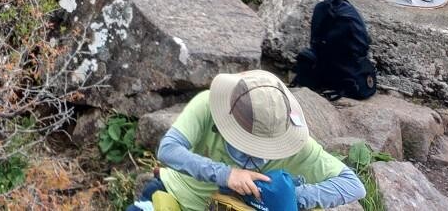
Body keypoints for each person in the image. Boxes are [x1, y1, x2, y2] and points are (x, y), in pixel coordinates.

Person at [126, 70, 364, 211]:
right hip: (177, 195)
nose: (257, 152)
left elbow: (353, 185)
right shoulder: (207, 105)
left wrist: (294, 197)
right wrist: (226, 174)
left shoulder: (300, 147)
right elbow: (168, 150)